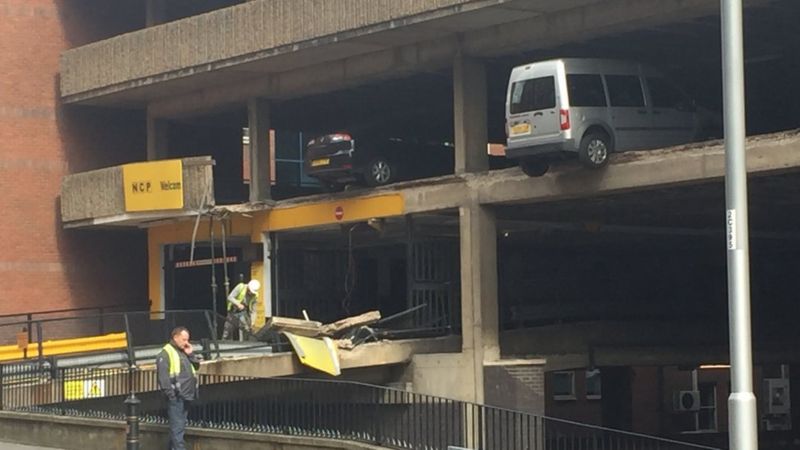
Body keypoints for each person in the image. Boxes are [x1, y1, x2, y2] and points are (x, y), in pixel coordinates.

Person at [156, 326, 200, 450]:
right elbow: (163, 379)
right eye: (184, 339)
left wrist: (190, 354)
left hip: (186, 396)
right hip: (176, 397)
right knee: (177, 430)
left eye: (187, 340)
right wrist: (171, 396)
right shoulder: (165, 354)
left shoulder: (183, 352)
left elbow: (196, 366)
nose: (186, 342)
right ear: (175, 338)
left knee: (178, 429)